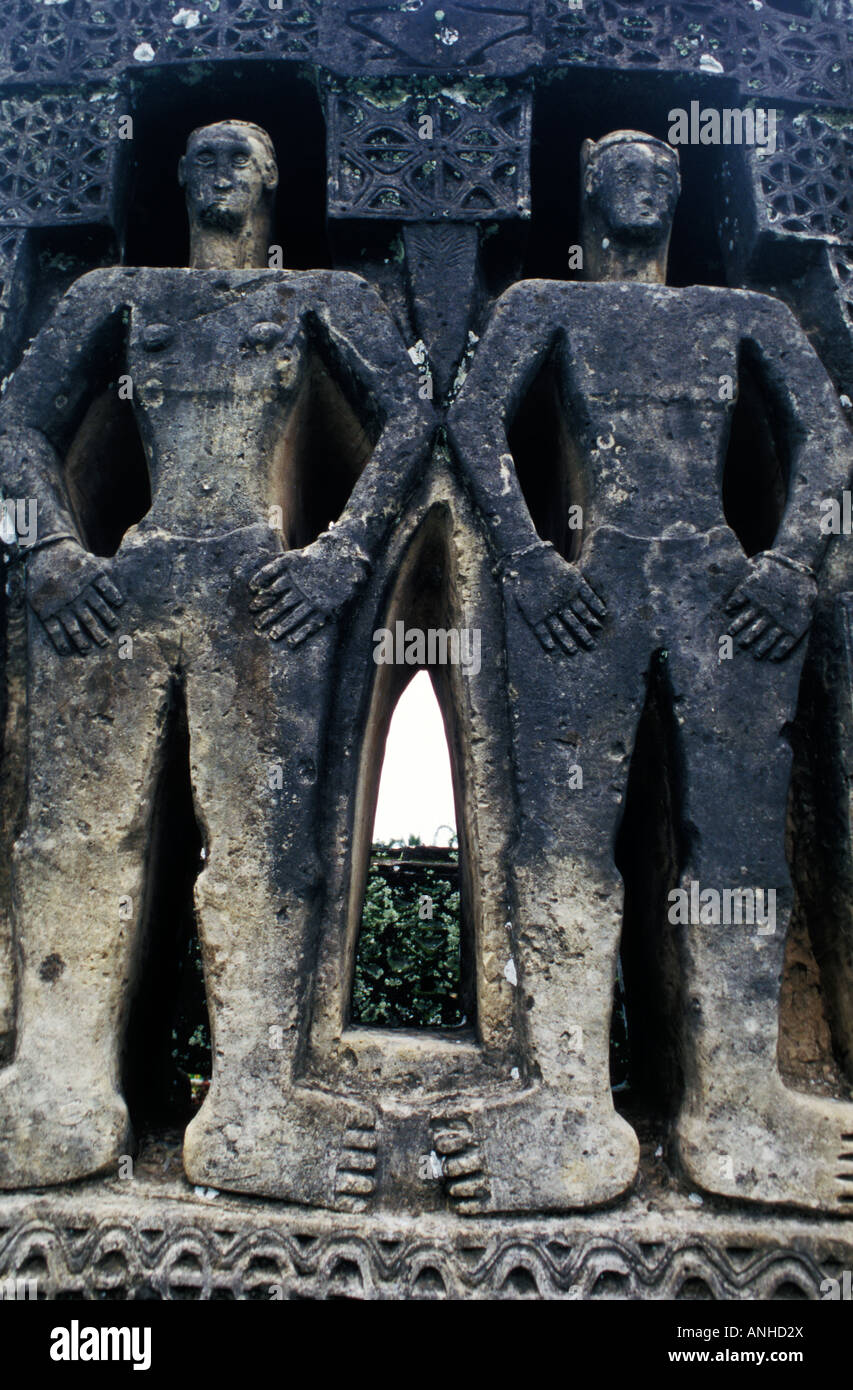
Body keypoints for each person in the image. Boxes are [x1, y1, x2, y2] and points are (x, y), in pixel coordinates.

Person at [0, 119, 430, 1206]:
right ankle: (58, 1086)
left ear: (275, 185)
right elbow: (16, 421)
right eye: (202, 158)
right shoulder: (116, 295)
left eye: (242, 158)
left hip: (256, 582)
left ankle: (251, 1098)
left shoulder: (314, 298)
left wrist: (336, 556)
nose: (220, 173)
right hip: (133, 578)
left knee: (259, 852)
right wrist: (52, 545)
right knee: (75, 835)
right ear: (178, 182)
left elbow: (410, 421)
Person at [440, 130, 853, 1212]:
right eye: (623, 169)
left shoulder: (741, 315)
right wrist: (532, 559)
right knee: (566, 832)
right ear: (588, 190)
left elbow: (825, 434)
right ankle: (570, 1101)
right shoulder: (547, 304)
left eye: (661, 174)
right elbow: (475, 420)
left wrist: (788, 562)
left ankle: (737, 1100)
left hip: (718, 579)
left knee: (739, 832)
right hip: (597, 575)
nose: (643, 185)